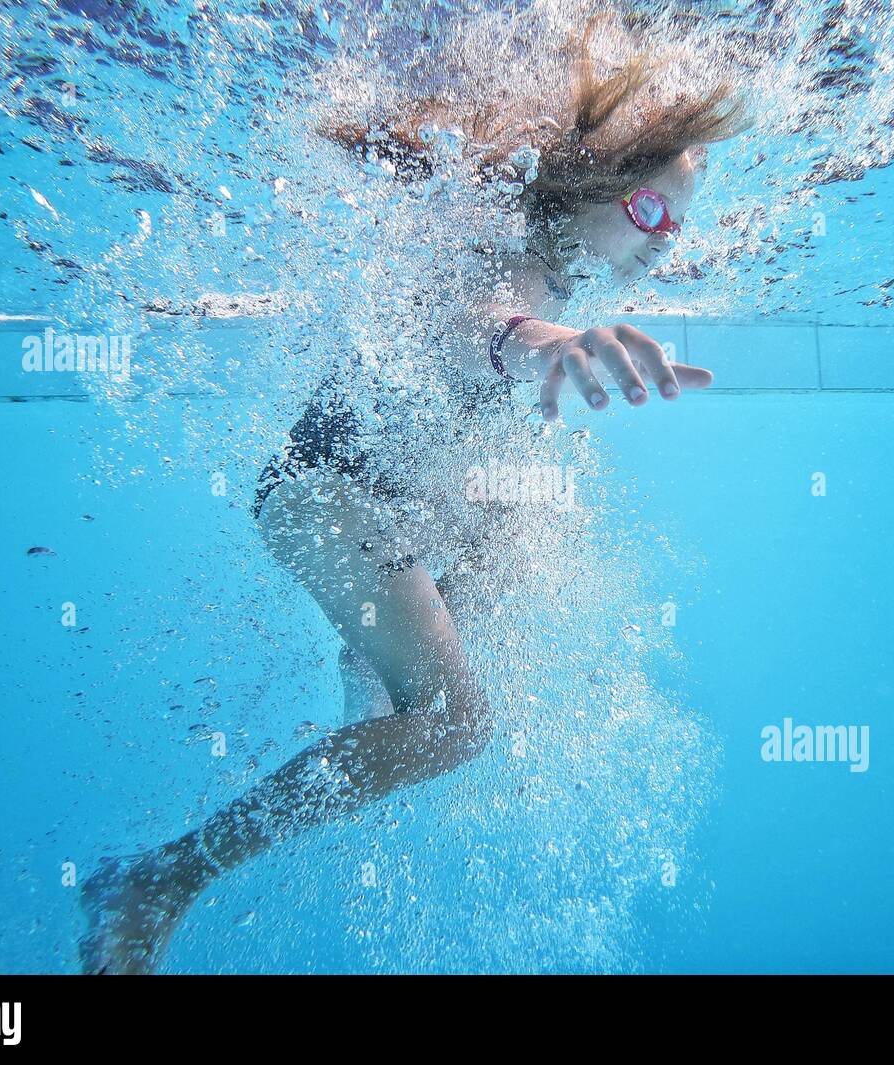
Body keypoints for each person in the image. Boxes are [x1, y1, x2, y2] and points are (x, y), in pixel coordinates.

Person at [80, 15, 747, 974]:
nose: (666, 239)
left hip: (398, 502)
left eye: (680, 220)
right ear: (594, 186)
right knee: (453, 723)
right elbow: (496, 324)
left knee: (437, 667)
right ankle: (159, 881)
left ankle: (242, 813)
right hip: (328, 493)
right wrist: (553, 347)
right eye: (651, 208)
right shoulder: (509, 264)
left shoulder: (550, 267)